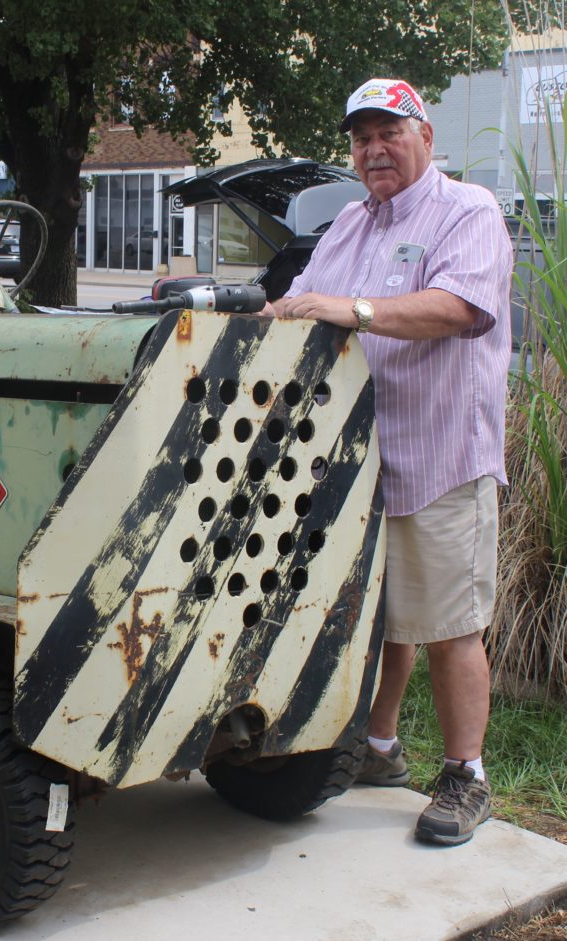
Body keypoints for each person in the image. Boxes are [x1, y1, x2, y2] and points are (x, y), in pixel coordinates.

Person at [266, 78, 512, 846]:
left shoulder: (466, 211)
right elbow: (299, 301)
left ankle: (466, 776)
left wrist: (357, 310)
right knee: (380, 618)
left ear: (425, 136)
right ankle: (377, 750)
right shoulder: (347, 223)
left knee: (450, 624)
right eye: (362, 137)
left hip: (441, 455)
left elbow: (461, 308)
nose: (374, 149)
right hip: (355, 461)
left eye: (389, 132)